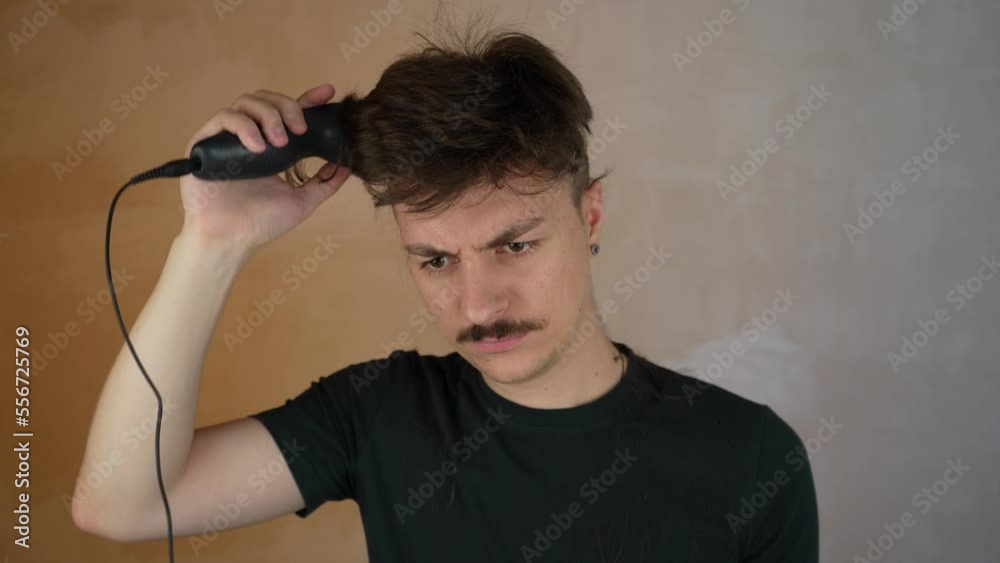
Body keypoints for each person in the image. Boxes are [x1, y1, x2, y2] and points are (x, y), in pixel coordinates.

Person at [72, 27, 818, 563]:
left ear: (589, 216)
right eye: (435, 260)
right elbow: (119, 504)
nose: (479, 304)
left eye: (514, 246)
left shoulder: (750, 457)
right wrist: (210, 245)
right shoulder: (380, 414)